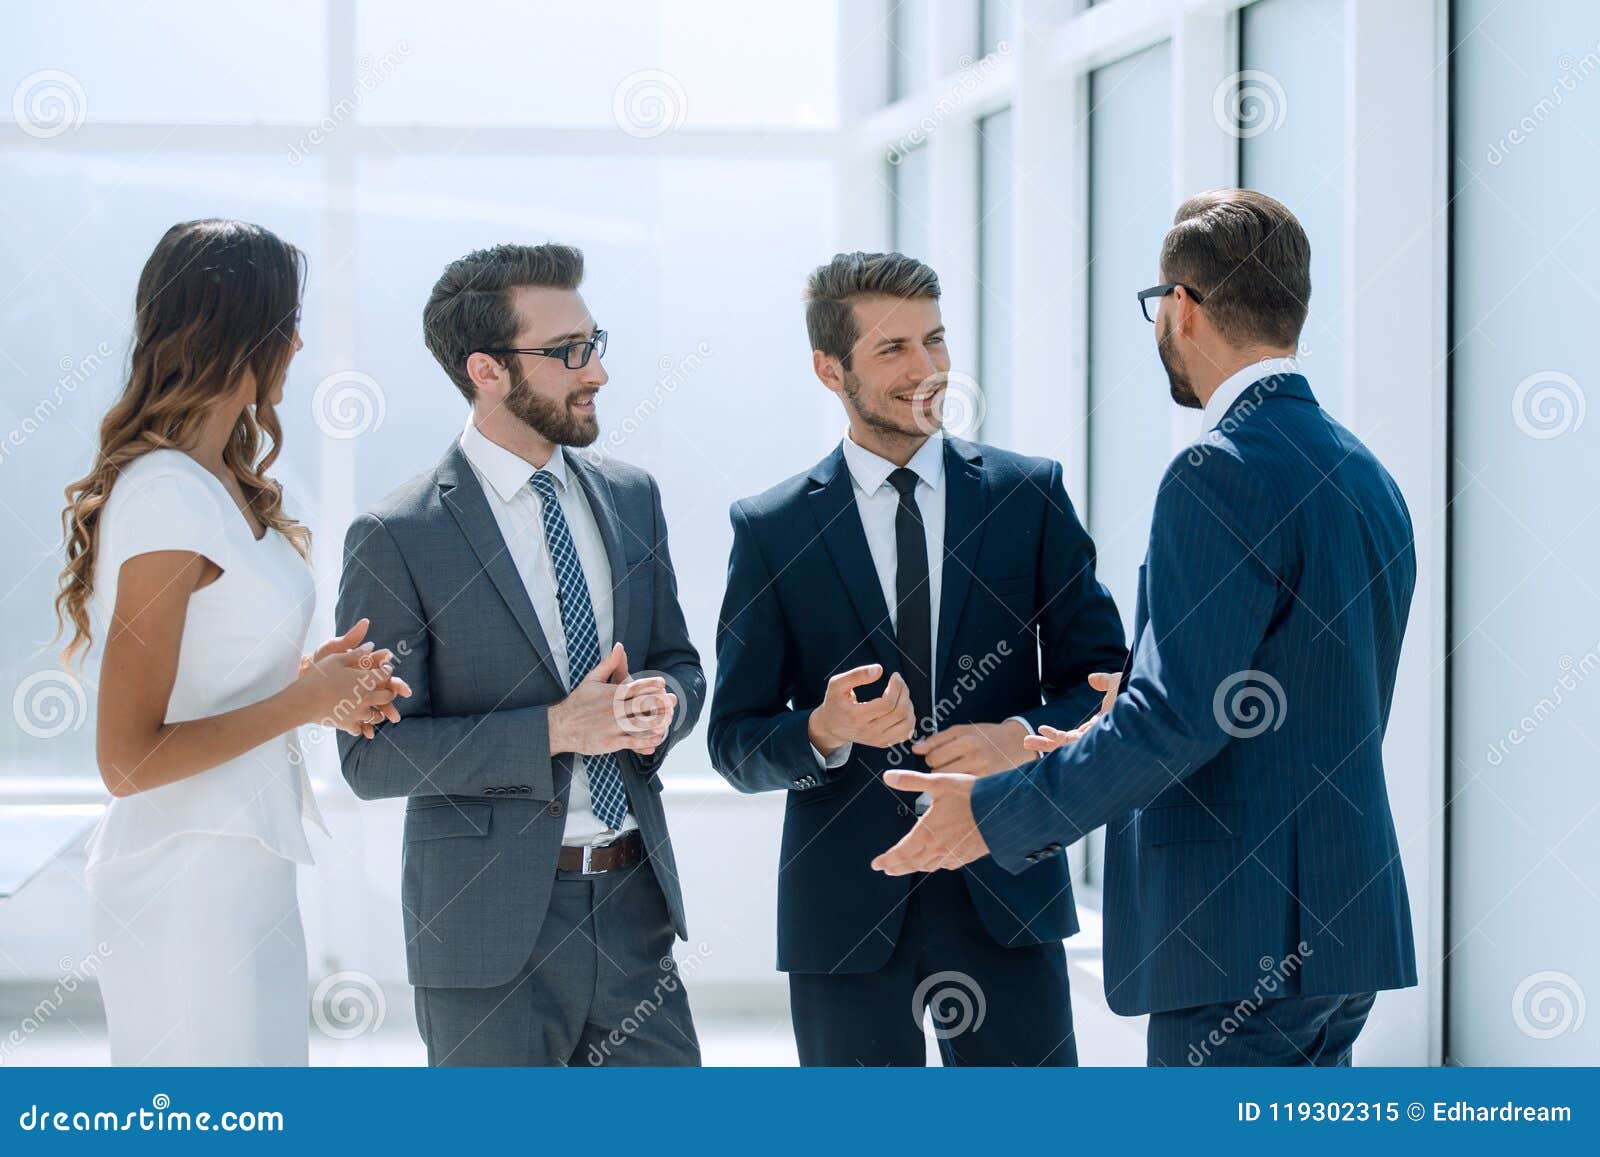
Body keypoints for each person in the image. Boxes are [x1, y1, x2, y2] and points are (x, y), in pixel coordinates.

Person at [874, 190, 1418, 1067]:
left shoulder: (1216, 468)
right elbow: (1281, 696)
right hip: (1341, 931)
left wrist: (995, 815)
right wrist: (1095, 732)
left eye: (1156, 307)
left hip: (1239, 941)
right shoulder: (1363, 472)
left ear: (1184, 306)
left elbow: (1178, 720)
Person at [709, 251, 1126, 1066]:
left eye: (935, 341)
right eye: (894, 348)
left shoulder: (1027, 495)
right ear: (830, 370)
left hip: (1006, 884)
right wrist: (824, 730)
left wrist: (1018, 734)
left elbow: (1109, 684)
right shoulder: (774, 528)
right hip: (844, 913)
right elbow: (735, 742)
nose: (928, 368)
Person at [336, 242, 705, 1067]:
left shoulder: (632, 498)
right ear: (487, 371)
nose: (597, 372)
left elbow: (680, 661)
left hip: (633, 908)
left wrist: (664, 704)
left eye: (595, 342)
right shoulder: (399, 536)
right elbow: (373, 759)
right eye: (568, 352)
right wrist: (553, 729)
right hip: (484, 931)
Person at [54, 219, 405, 1066]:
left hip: (241, 871)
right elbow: (127, 759)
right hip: (183, 887)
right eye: (287, 320)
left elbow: (213, 672)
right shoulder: (165, 495)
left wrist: (315, 683)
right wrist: (302, 702)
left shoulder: (214, 483)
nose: (298, 342)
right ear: (243, 335)